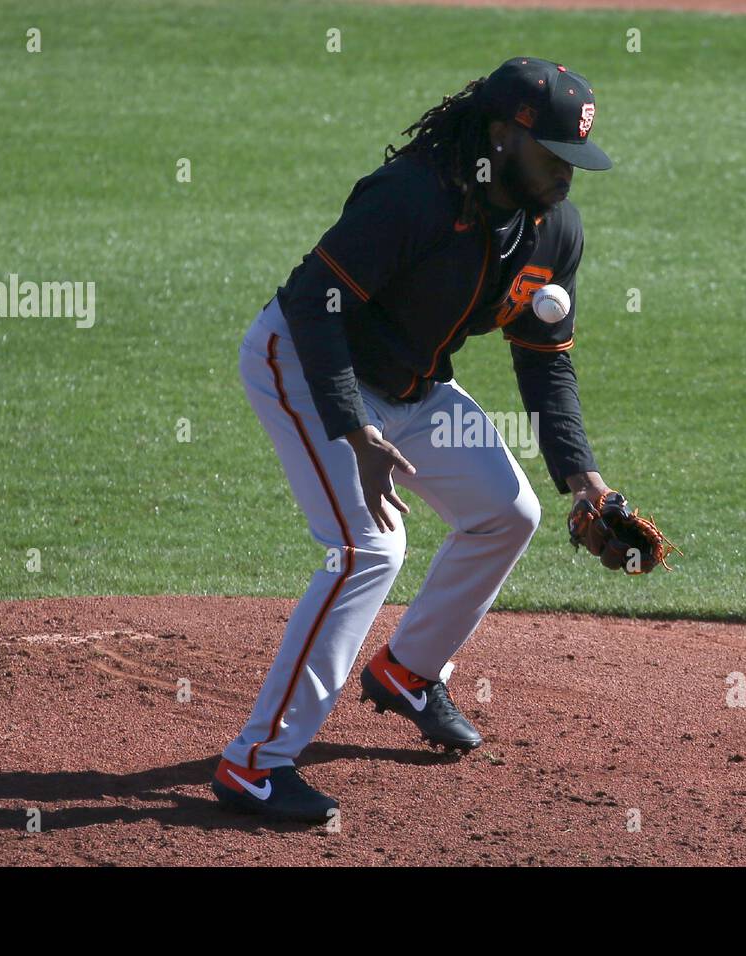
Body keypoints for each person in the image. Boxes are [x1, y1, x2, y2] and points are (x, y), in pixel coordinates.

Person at [212, 57, 615, 824]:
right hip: (303, 364)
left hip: (415, 389)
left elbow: (544, 363)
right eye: (554, 154)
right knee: (369, 550)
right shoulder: (413, 197)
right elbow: (312, 305)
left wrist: (583, 478)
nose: (568, 174)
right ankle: (255, 766)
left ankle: (407, 671)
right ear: (501, 136)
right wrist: (353, 429)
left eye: (576, 158)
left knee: (508, 513)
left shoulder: (552, 231)